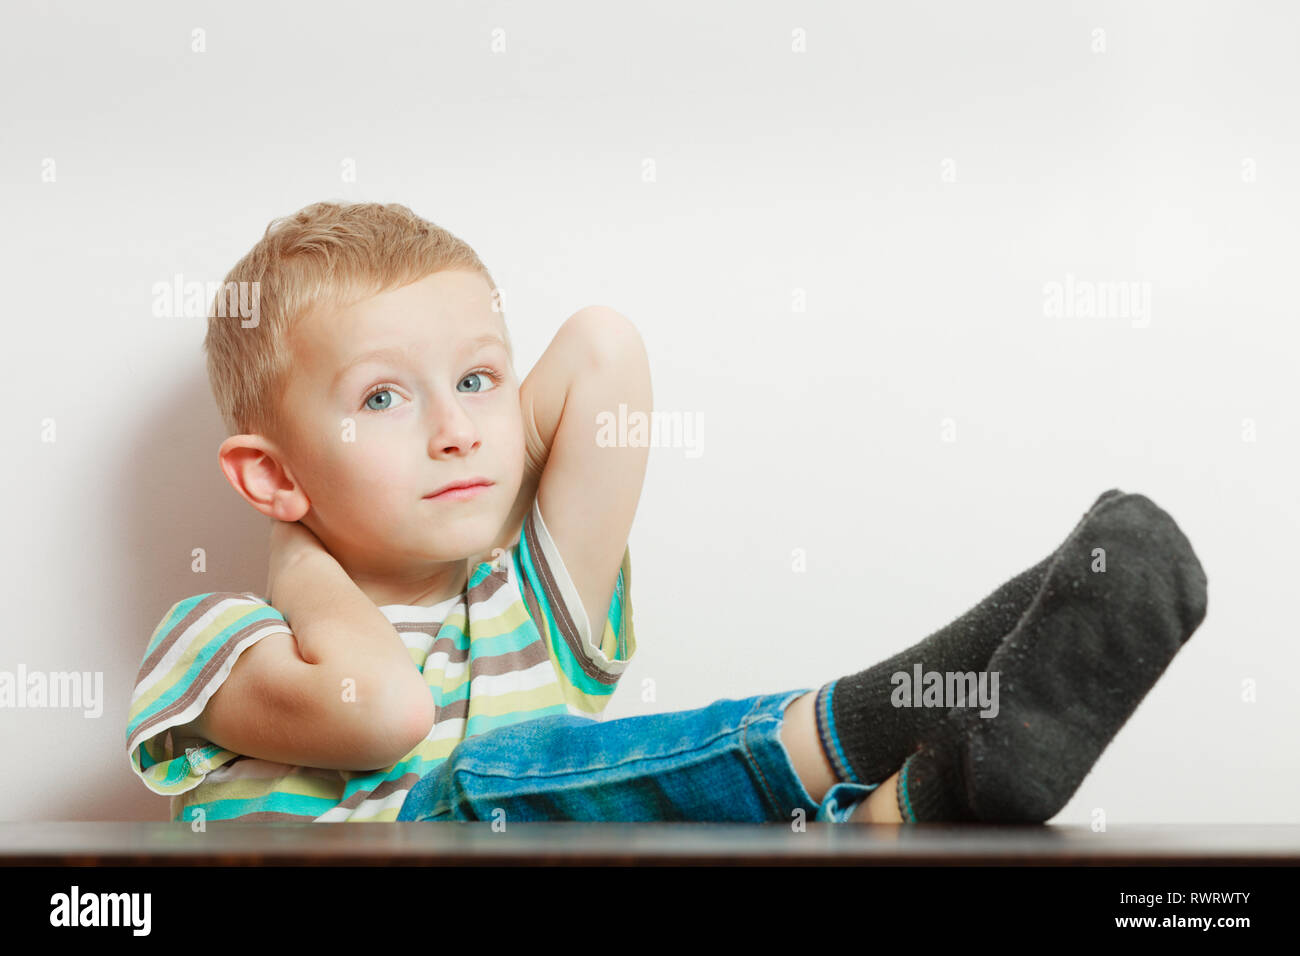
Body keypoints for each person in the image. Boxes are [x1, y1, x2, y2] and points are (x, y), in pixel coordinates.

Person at [125, 202, 1207, 825]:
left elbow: (601, 349)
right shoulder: (223, 640)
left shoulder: (531, 608)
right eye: (381, 396)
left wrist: (431, 421)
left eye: (477, 380)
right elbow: (384, 717)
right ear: (269, 477)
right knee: (476, 786)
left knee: (583, 792)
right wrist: (299, 546)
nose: (457, 430)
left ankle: (922, 792)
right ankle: (862, 726)